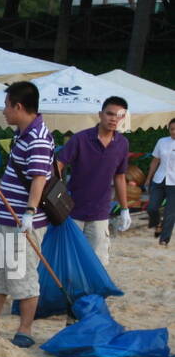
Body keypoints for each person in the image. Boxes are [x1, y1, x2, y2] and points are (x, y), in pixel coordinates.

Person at [0, 80, 51, 348]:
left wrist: (29, 211)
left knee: (23, 276)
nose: (4, 111)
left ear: (18, 106)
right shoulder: (20, 134)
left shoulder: (38, 137)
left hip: (24, 222)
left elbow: (39, 178)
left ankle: (25, 330)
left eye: (6, 106)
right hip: (6, 218)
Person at [55, 96, 132, 267]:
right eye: (109, 114)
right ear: (100, 114)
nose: (113, 119)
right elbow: (58, 165)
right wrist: (55, 196)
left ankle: (93, 295)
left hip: (100, 212)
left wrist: (125, 209)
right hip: (72, 209)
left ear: (123, 118)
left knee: (98, 262)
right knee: (69, 260)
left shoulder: (122, 144)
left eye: (119, 115)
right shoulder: (80, 139)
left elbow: (120, 176)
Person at [144, 118, 175, 246]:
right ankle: (157, 224)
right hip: (159, 180)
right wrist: (148, 178)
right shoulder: (161, 141)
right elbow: (155, 161)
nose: (174, 131)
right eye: (172, 129)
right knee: (151, 208)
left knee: (170, 213)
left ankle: (164, 239)